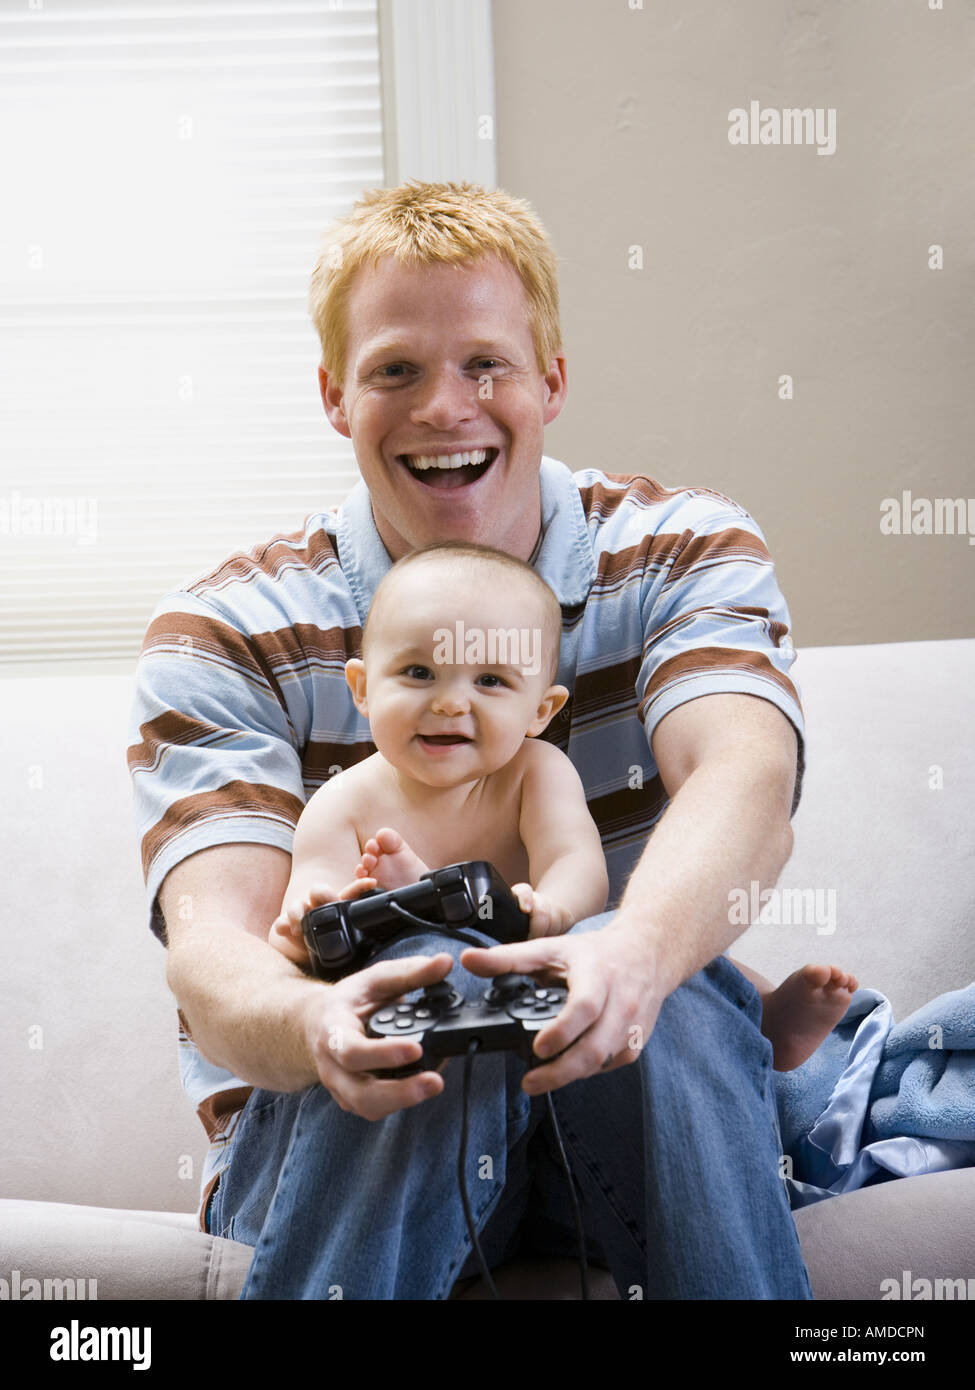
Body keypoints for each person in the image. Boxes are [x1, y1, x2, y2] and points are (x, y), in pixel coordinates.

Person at [129, 178, 819, 1299]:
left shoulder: (683, 550)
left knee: (677, 989)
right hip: (340, 1137)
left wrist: (627, 957)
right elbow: (213, 949)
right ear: (334, 397)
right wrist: (317, 1020)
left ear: (551, 378)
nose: (446, 407)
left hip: (640, 1099)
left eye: (486, 364)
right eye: (395, 369)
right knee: (416, 983)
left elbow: (747, 778)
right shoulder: (225, 632)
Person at [269, 541, 859, 1075]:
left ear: (540, 711)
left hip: (549, 960)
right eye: (418, 673)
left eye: (491, 681)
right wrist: (308, 918)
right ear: (364, 687)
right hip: (425, 991)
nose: (450, 703)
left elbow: (578, 864)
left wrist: (550, 907)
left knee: (652, 943)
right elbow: (314, 894)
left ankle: (761, 1020)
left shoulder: (536, 771)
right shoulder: (341, 801)